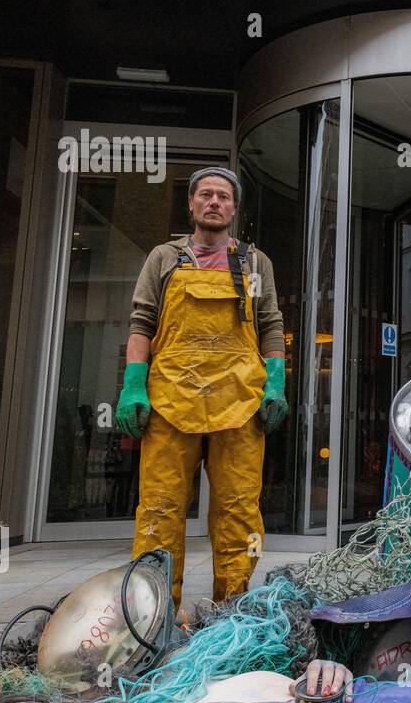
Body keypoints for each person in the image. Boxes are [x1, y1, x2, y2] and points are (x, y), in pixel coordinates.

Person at [115, 166, 289, 608]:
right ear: (191, 205)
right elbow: (141, 322)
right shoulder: (163, 258)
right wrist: (133, 385)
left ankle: (232, 609)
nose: (215, 202)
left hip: (240, 399)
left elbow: (270, 326)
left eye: (224, 197)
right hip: (171, 399)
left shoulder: (255, 262)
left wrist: (276, 384)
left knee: (239, 510)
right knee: (159, 509)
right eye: (206, 195)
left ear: (234, 208)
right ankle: (154, 615)